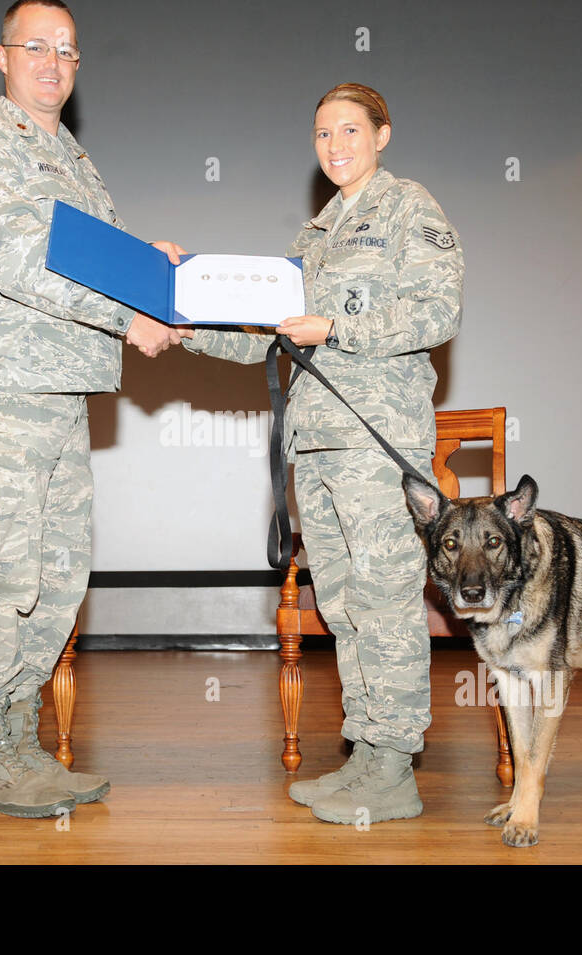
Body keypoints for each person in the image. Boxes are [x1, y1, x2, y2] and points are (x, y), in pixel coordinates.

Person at [183, 82, 464, 824]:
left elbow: (440, 310)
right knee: (342, 606)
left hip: (379, 444)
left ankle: (397, 767)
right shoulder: (314, 239)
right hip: (320, 446)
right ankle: (364, 755)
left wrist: (337, 326)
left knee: (386, 600)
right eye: (322, 135)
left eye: (350, 130)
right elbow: (264, 332)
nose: (336, 146)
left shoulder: (409, 208)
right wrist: (179, 308)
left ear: (383, 133)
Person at [0, 0, 183, 818]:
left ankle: (23, 738)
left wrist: (154, 268)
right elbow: (20, 262)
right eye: (36, 47)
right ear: (1, 57)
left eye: (68, 50)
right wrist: (130, 315)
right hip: (3, 396)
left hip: (63, 396)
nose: (53, 61)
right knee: (4, 577)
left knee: (58, 579)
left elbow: (100, 259)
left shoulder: (73, 159)